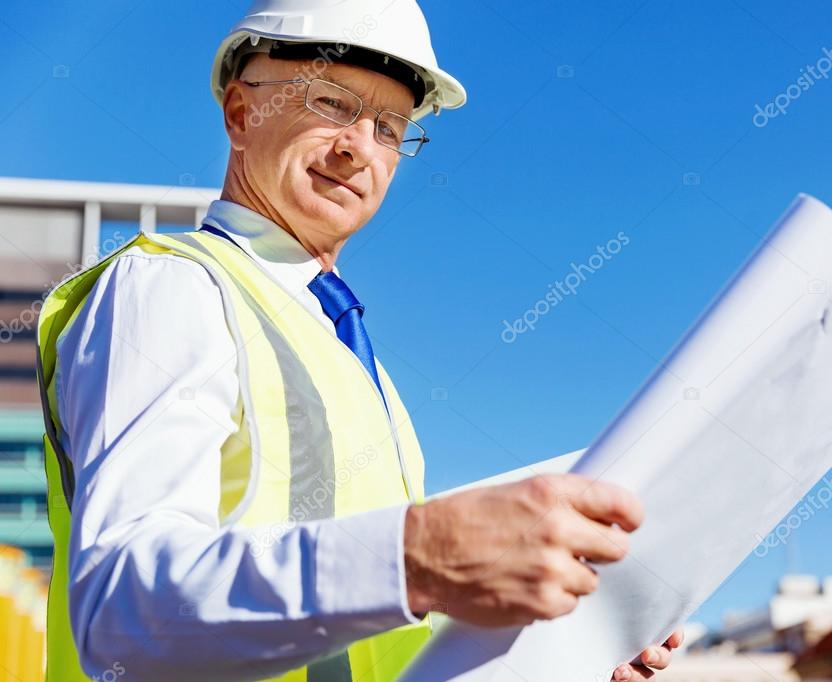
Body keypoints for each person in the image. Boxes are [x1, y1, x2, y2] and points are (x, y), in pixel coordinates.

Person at [35, 1, 684, 679]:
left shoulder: (349, 359)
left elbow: (370, 643)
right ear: (240, 113)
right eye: (329, 102)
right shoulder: (172, 287)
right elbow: (121, 613)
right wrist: (420, 555)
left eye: (388, 127)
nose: (358, 149)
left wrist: (559, 649)